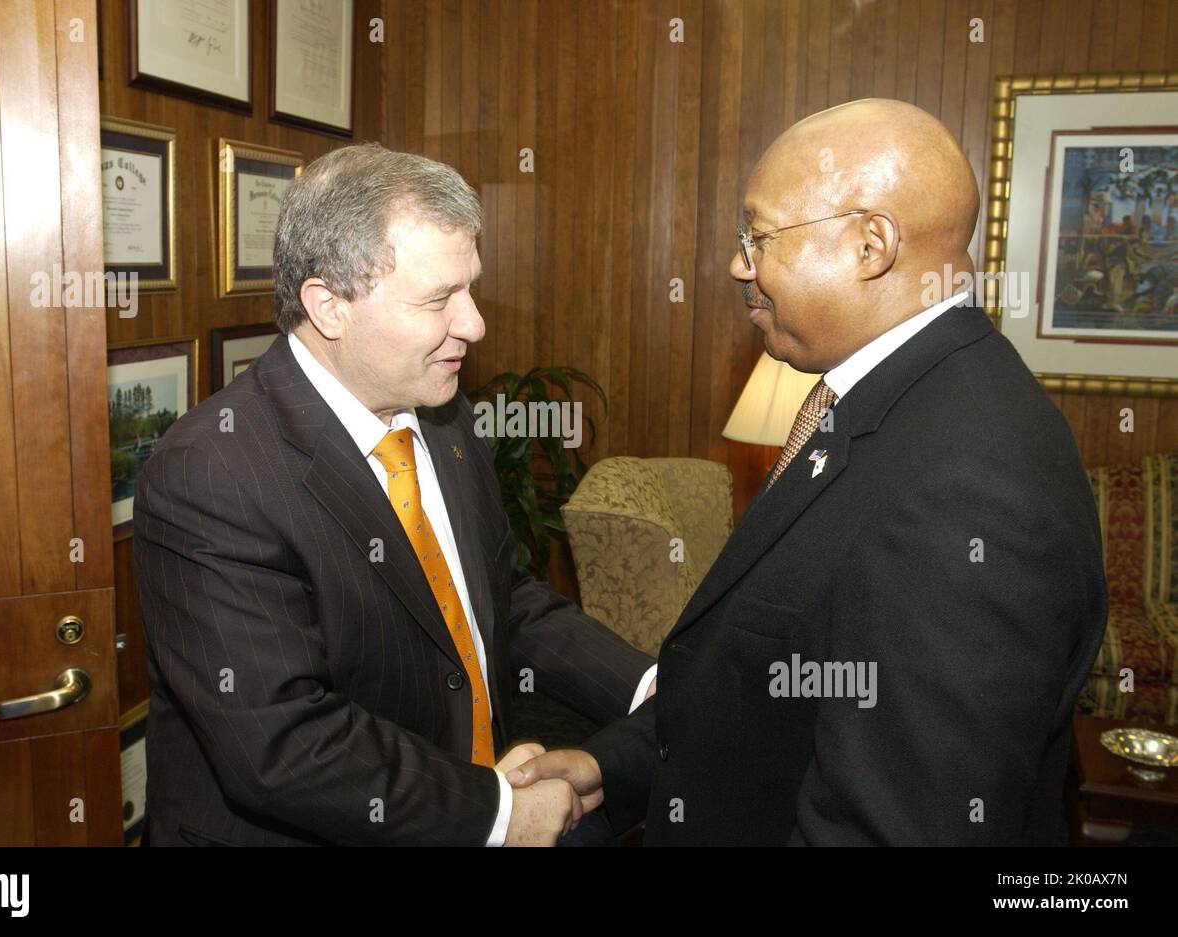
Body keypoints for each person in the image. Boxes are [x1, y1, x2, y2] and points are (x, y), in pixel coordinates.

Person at [509, 98, 1108, 845]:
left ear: (871, 246)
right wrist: (611, 765)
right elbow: (759, 681)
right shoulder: (877, 400)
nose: (737, 263)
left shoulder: (968, 490)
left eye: (758, 235)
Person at [133, 143, 655, 846]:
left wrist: (651, 687)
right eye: (440, 299)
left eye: (469, 288)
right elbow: (284, 745)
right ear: (329, 307)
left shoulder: (441, 411)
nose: (474, 324)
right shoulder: (212, 474)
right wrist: (497, 811)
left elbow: (500, 595)